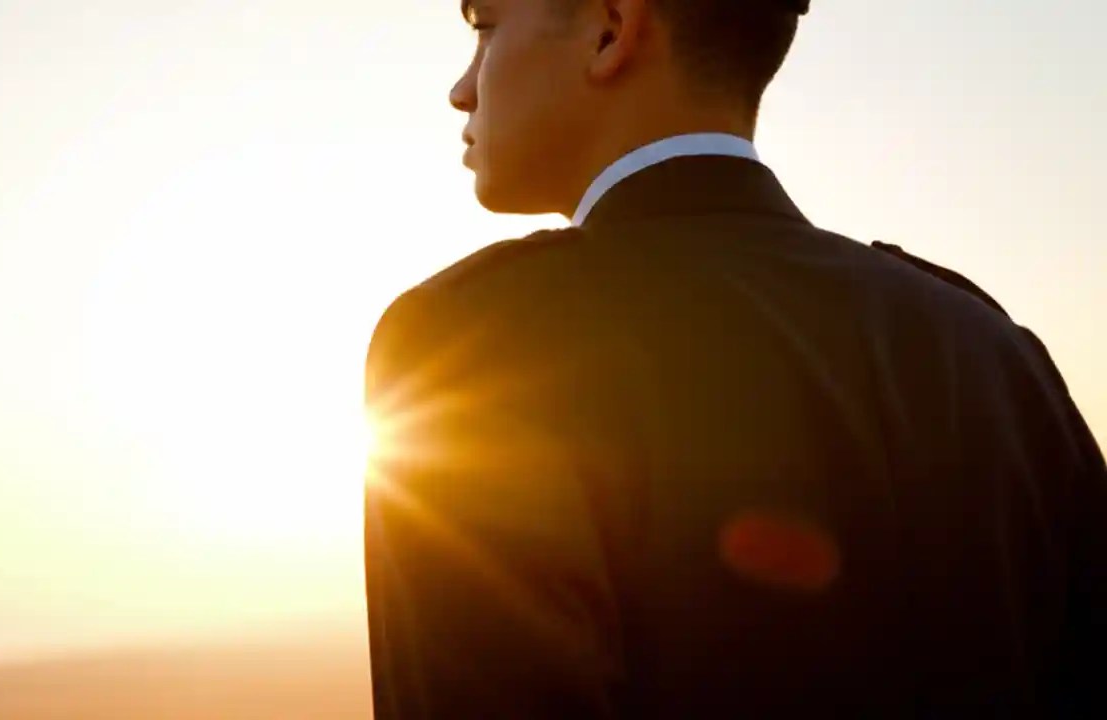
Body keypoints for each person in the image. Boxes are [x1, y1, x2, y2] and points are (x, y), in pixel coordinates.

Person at [362, 0, 1107, 716]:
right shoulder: (990, 351)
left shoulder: (474, 348)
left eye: (486, 27)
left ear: (611, 30)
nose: (462, 90)